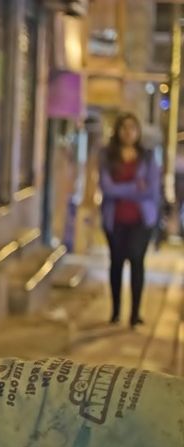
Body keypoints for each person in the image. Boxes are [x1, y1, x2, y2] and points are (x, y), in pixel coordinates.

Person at [98, 113, 161, 328]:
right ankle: (115, 312)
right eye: (124, 128)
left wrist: (121, 190)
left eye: (132, 128)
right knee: (116, 263)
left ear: (138, 132)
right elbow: (107, 188)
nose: (128, 132)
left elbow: (151, 190)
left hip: (141, 220)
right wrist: (135, 188)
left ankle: (135, 314)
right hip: (114, 219)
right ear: (118, 131)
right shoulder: (107, 156)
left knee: (136, 260)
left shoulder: (147, 157)